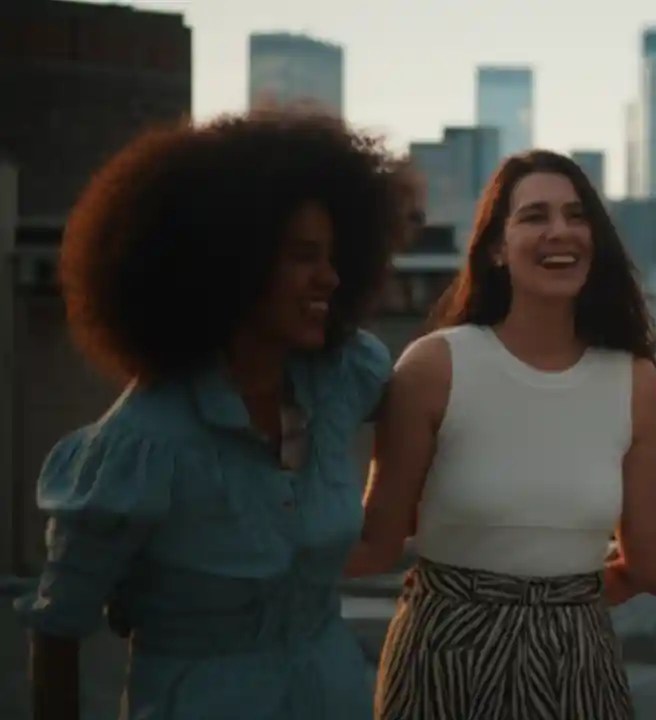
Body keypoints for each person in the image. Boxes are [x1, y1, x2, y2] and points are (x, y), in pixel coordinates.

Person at [14, 112, 409, 719]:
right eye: (304, 255)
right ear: (230, 262)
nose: (329, 276)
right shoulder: (138, 448)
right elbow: (58, 629)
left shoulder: (342, 379)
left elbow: (444, 416)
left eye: (334, 256)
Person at [345, 150, 656, 720]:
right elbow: (376, 542)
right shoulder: (435, 365)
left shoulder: (633, 379)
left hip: (578, 653)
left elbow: (647, 560)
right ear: (497, 248)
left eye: (576, 215)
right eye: (535, 216)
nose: (560, 230)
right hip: (446, 649)